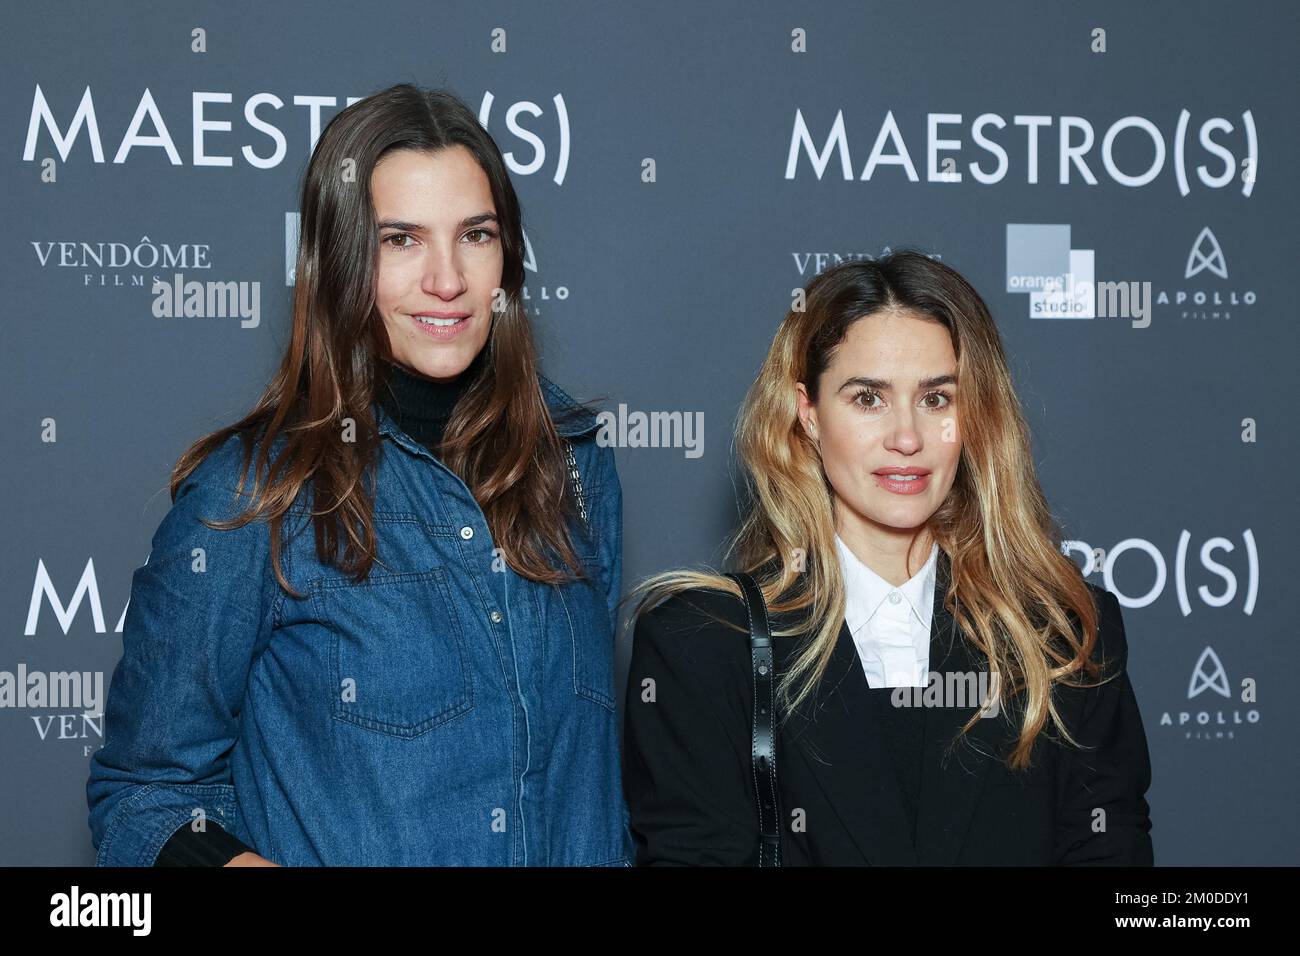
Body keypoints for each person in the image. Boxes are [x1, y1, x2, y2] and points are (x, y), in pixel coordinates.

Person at [87, 84, 632, 867]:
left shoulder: (572, 462)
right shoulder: (252, 495)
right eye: (401, 240)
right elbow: (144, 797)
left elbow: (586, 778)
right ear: (341, 260)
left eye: (474, 235)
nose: (447, 279)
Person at [622, 251, 1154, 865]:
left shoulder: (1065, 641)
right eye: (868, 398)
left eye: (936, 399)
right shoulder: (704, 646)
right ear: (808, 413)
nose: (907, 437)